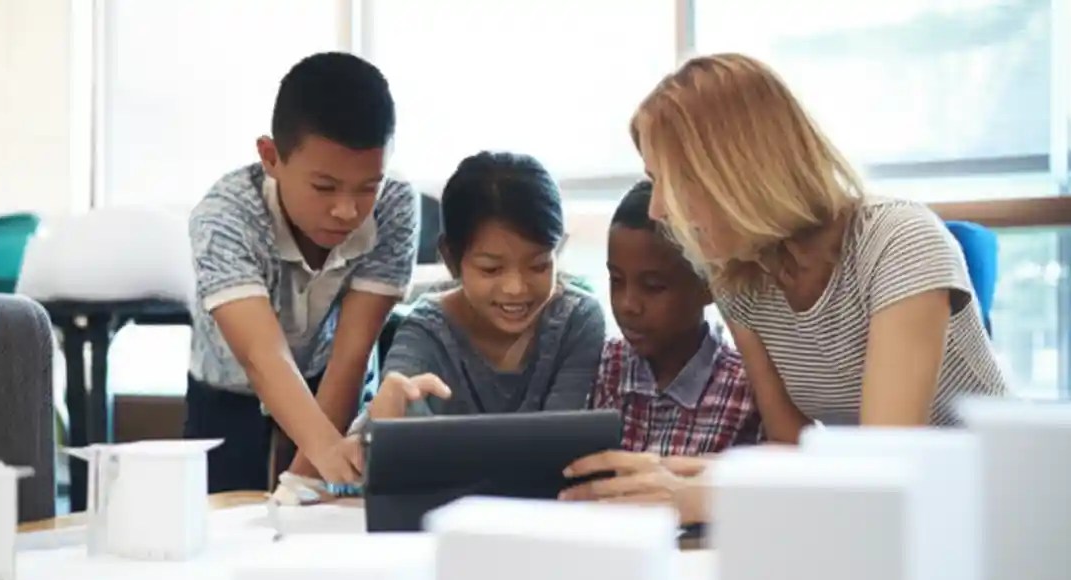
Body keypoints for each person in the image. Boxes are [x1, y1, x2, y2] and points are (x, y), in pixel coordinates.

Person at [564, 53, 1008, 522]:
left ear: (735, 172)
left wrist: (695, 497)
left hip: (985, 515)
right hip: (879, 524)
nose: (656, 209)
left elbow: (885, 470)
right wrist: (673, 471)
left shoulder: (899, 241)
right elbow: (791, 446)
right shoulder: (737, 275)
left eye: (670, 182)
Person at [184, 52, 419, 493]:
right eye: (324, 187)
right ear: (270, 157)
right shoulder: (224, 218)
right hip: (228, 388)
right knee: (224, 522)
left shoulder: (394, 205)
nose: (346, 210)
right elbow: (261, 356)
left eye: (367, 186)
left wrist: (306, 478)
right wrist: (321, 458)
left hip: (331, 376)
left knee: (323, 514)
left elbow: (353, 352)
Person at [362, 151, 606, 423]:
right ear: (452, 259)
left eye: (538, 266)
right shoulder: (427, 332)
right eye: (491, 269)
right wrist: (382, 419)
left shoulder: (577, 321)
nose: (516, 288)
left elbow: (560, 442)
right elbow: (390, 423)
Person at [591, 180, 762, 455]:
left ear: (709, 286)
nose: (628, 305)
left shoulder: (747, 390)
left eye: (653, 286)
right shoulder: (600, 368)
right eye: (617, 280)